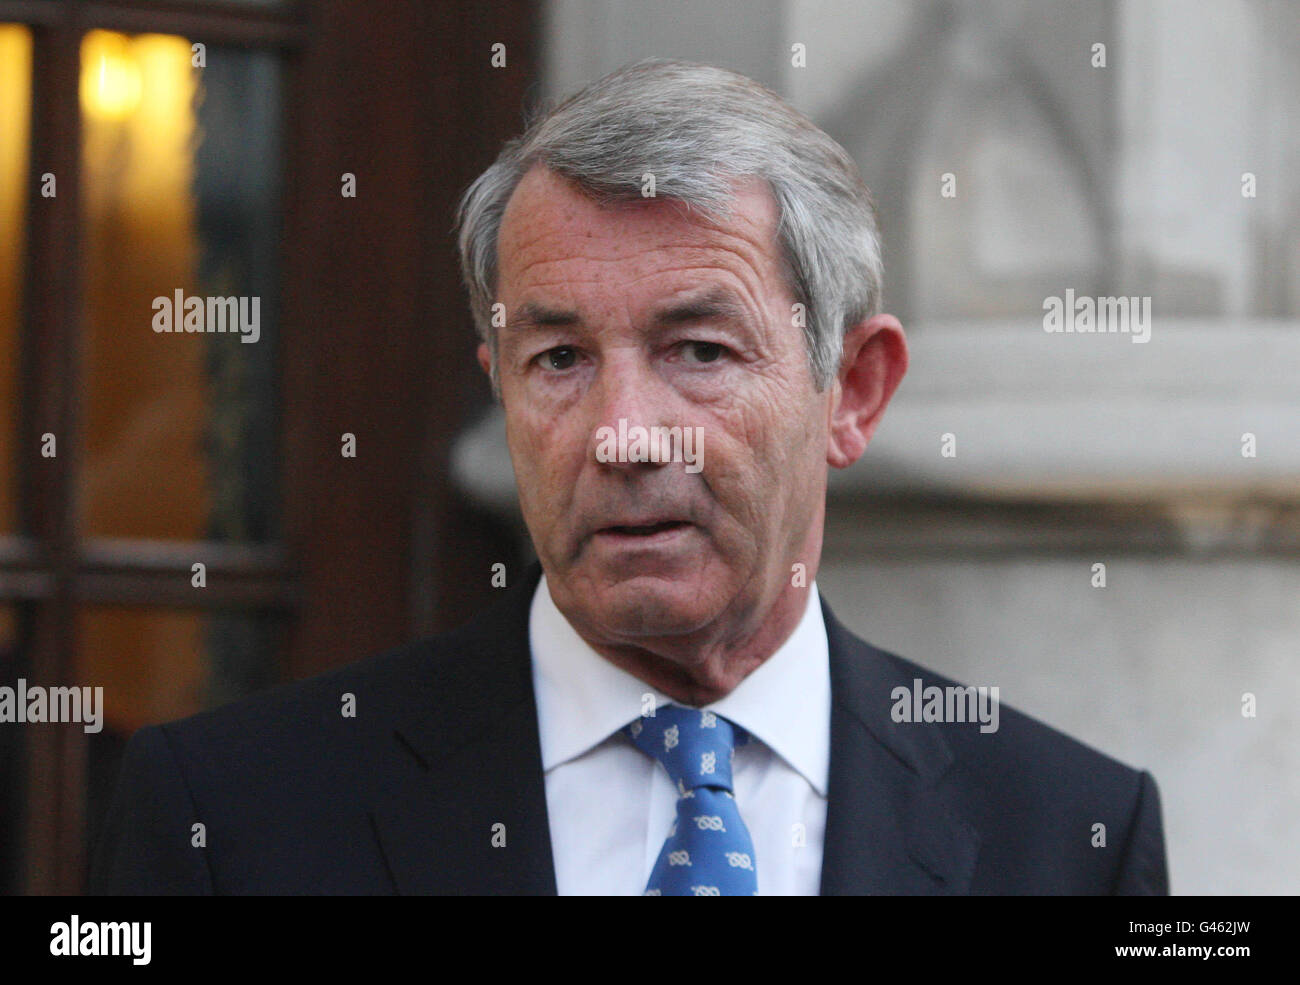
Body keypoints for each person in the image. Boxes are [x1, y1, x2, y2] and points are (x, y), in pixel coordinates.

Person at [92, 59, 1168, 895]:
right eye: (558, 359)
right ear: (500, 386)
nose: (621, 434)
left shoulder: (1069, 835)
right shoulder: (232, 814)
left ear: (851, 390)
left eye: (698, 351)